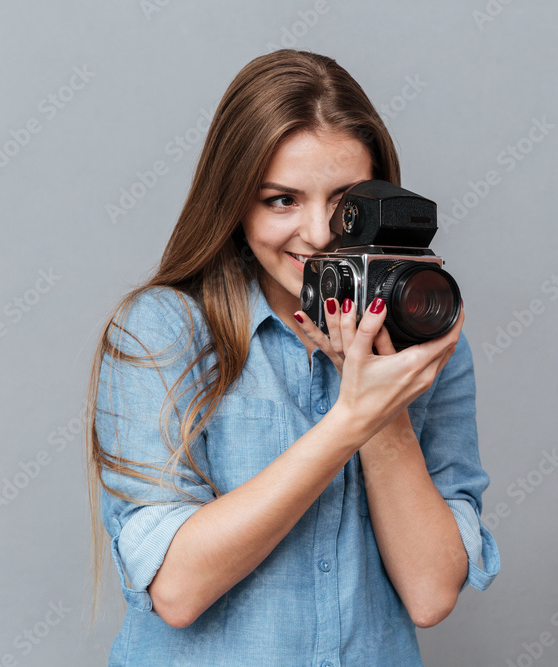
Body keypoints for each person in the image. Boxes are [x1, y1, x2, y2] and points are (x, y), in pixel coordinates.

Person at [84, 49, 500, 666]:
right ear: (235, 203)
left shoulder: (422, 338)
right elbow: (176, 588)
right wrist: (350, 420)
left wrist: (384, 413)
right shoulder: (164, 330)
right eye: (282, 200)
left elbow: (430, 592)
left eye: (345, 203)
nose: (318, 232)